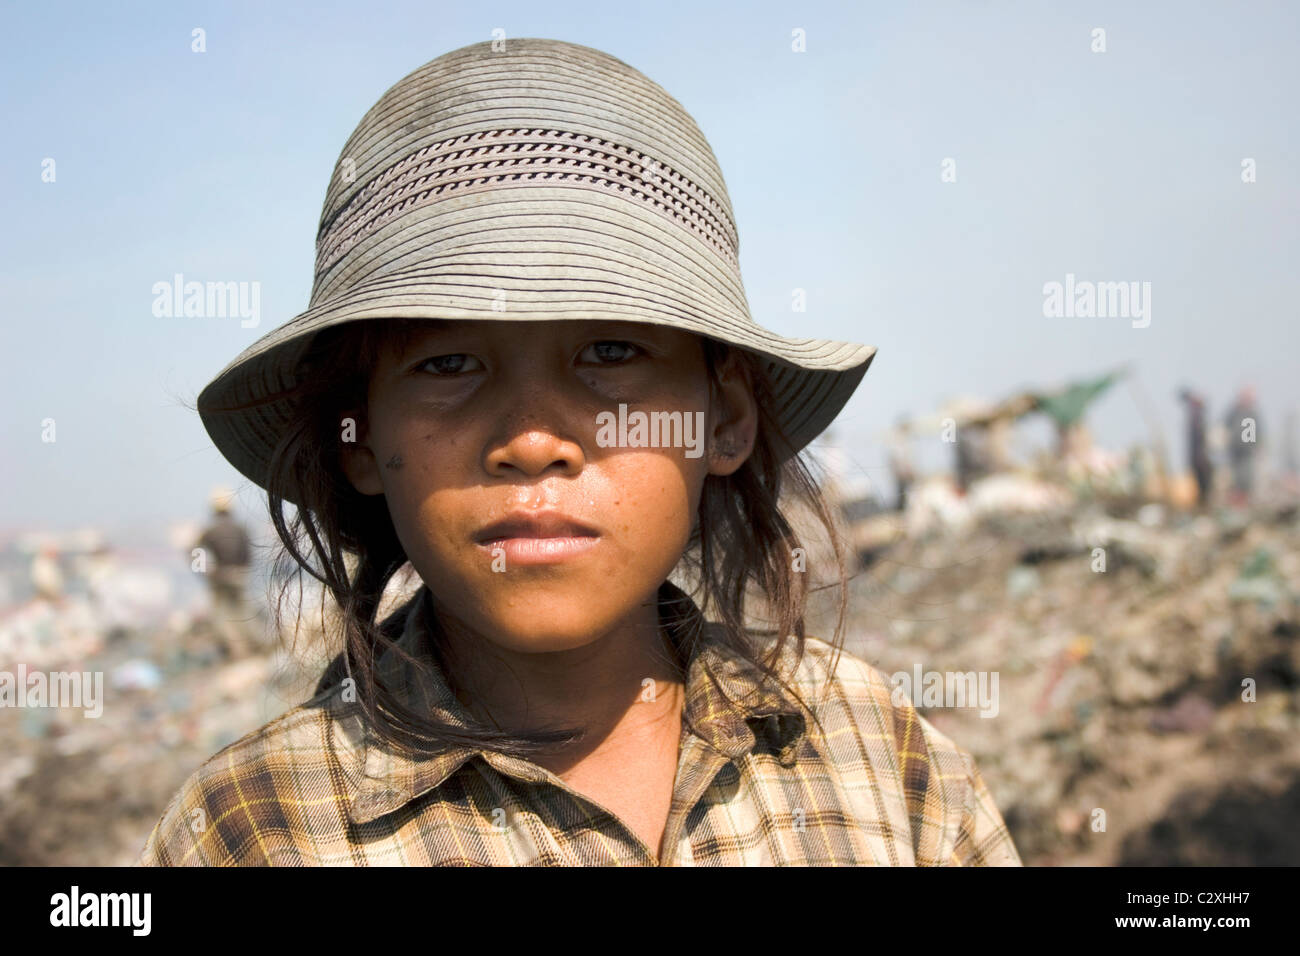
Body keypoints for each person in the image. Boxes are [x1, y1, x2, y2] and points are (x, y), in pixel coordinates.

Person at [137, 38, 1020, 867]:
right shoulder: (256, 830)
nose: (531, 443)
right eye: (448, 363)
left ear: (724, 423)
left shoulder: (882, 759)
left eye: (609, 354)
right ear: (359, 440)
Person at [195, 487, 254, 657]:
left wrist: (203, 571)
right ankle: (250, 646)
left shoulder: (210, 531)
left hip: (219, 577)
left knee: (221, 614)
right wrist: (242, 570)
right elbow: (248, 553)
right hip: (240, 576)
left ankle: (235, 649)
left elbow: (194, 551)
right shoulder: (240, 529)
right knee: (243, 611)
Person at [1223, 386, 1262, 506]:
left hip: (1248, 451)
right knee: (1235, 478)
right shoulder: (1234, 411)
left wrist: (1259, 446)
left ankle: (1244, 502)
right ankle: (1235, 503)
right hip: (1235, 450)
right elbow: (1224, 425)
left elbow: (1258, 431)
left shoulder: (1253, 413)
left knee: (1246, 477)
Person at [1179, 388, 1213, 508]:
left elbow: (1201, 438)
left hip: (1201, 458)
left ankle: (1204, 505)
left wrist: (1201, 457)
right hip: (1198, 457)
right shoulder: (1196, 414)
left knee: (1204, 486)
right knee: (1200, 486)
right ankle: (1203, 505)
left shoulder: (1197, 415)